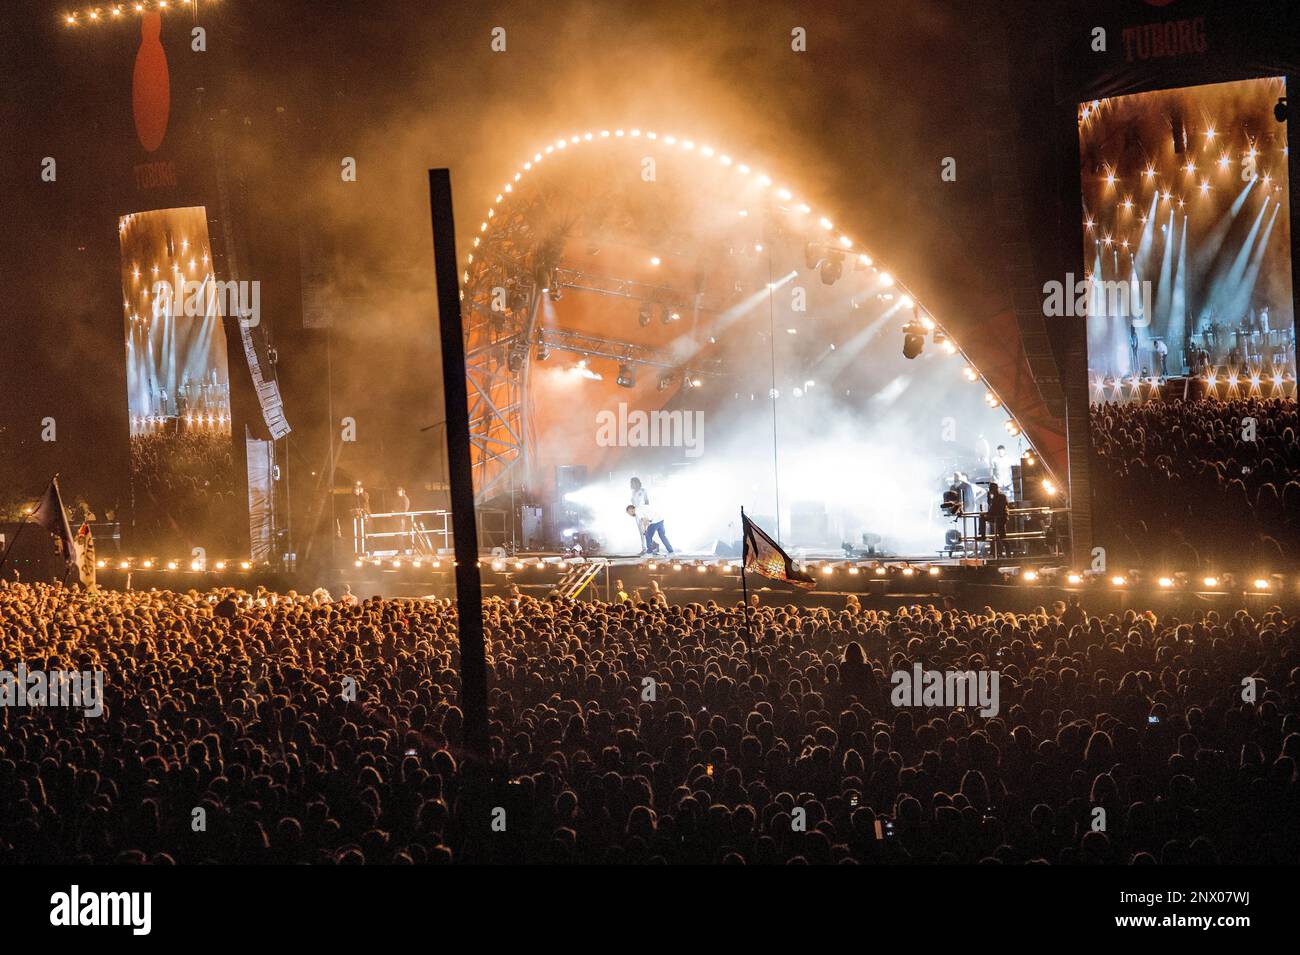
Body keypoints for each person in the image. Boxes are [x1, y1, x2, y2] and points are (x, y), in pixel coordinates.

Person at [984, 482, 1009, 558]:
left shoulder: (1000, 497)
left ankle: (1007, 552)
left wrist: (989, 514)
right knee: (1001, 536)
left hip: (1000, 518)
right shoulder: (998, 497)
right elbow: (991, 505)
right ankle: (1005, 552)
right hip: (998, 517)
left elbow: (995, 508)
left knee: (1002, 536)